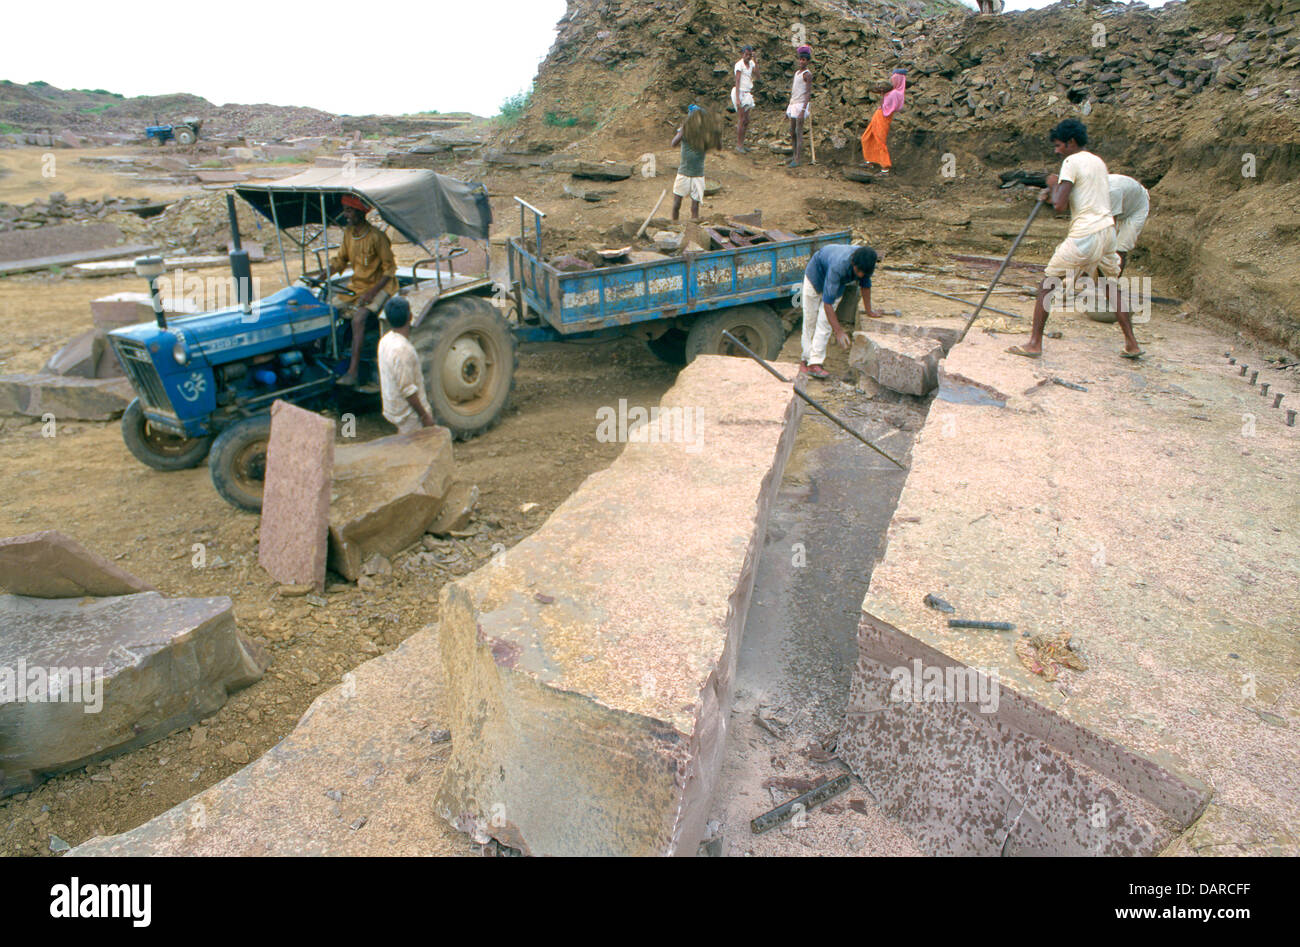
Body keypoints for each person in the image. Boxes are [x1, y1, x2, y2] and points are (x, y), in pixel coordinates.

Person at [1007, 119, 1143, 360]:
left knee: (1048, 283)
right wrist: (1054, 193)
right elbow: (1078, 197)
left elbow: (1060, 205)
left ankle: (1034, 344)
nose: (1056, 151)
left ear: (1070, 142)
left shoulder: (1070, 162)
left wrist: (1052, 185)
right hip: (1107, 231)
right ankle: (1132, 344)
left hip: (1086, 233)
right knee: (1109, 284)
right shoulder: (1097, 162)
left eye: (1059, 145)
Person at [314, 193, 397, 386]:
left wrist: (372, 293)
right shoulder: (349, 235)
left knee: (359, 318)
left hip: (380, 285)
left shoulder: (377, 237)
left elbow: (390, 269)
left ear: (361, 212)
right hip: (358, 285)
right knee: (326, 309)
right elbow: (340, 260)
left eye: (349, 210)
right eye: (345, 210)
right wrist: (323, 275)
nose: (346, 214)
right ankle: (324, 357)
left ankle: (353, 371)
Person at [800, 244, 882, 379]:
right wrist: (838, 331)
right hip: (815, 277)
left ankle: (815, 363)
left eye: (864, 272)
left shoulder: (866, 263)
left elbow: (865, 286)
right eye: (859, 271)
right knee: (810, 320)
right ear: (852, 263)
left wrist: (869, 311)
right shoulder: (839, 265)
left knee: (825, 323)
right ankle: (805, 359)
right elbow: (827, 304)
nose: (860, 274)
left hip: (837, 285)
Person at [377, 296, 435, 434]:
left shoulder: (385, 340)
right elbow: (408, 390)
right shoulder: (403, 350)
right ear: (410, 316)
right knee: (417, 448)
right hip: (408, 415)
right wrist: (424, 416)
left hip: (394, 407)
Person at [670, 105, 719, 221]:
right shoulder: (684, 130)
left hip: (698, 174)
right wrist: (683, 132)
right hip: (684, 173)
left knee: (695, 207)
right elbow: (673, 143)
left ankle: (693, 229)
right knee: (677, 203)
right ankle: (673, 225)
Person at [860, 70, 906, 174]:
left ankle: (885, 167)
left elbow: (891, 107)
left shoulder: (895, 93)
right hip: (878, 115)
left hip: (883, 117)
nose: (892, 81)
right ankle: (869, 160)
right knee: (866, 137)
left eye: (894, 79)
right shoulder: (895, 91)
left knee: (880, 141)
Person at [1108, 173, 1150, 274]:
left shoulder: (1112, 191)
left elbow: (1109, 227)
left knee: (1119, 249)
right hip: (1120, 204)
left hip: (1135, 209)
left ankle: (1110, 286)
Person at [786, 46, 813, 168]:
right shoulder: (797, 73)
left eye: (804, 60)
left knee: (799, 131)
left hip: (801, 105)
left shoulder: (807, 75)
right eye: (800, 59)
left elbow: (808, 93)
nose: (802, 61)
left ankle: (798, 158)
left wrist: (803, 110)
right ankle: (794, 155)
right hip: (793, 104)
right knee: (792, 131)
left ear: (808, 61)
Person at [732, 46, 758, 153]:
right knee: (742, 119)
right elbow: (737, 81)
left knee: (746, 120)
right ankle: (739, 145)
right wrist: (738, 98)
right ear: (742, 54)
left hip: (747, 93)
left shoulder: (751, 64)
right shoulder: (739, 65)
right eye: (746, 54)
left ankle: (742, 143)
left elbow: (758, 75)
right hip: (740, 93)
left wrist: (755, 61)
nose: (748, 57)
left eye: (750, 55)